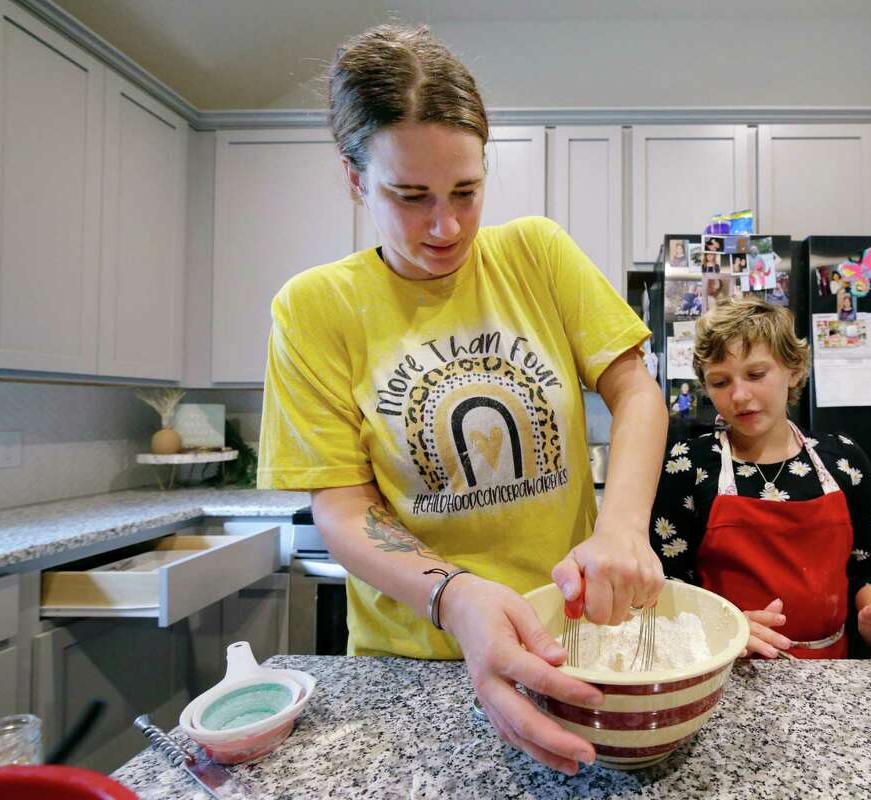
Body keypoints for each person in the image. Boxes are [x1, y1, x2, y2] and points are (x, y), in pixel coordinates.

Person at [256, 24, 667, 776]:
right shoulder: (313, 309)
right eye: (409, 197)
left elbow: (635, 389)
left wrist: (621, 528)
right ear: (354, 178)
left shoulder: (537, 253)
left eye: (465, 192)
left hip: (564, 640)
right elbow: (343, 511)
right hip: (414, 664)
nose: (445, 227)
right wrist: (456, 598)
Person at [647, 297, 871, 661]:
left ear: (793, 370)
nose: (740, 395)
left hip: (829, 671)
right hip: (724, 666)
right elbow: (666, 583)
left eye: (756, 374)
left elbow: (870, 564)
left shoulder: (843, 460)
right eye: (720, 382)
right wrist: (723, 627)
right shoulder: (688, 465)